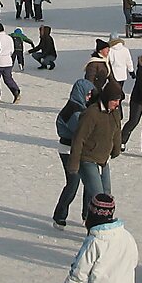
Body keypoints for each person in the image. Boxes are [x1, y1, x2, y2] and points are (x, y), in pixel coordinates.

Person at [68, 81, 123, 219]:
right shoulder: (92, 113)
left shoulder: (115, 113)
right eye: (115, 100)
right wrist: (74, 164)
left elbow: (116, 132)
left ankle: (94, 219)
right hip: (88, 159)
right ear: (107, 98)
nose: (117, 103)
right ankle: (96, 226)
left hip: (103, 160)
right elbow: (79, 139)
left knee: (107, 195)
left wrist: (116, 149)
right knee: (98, 196)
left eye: (119, 100)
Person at [54, 79, 96, 229]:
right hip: (68, 150)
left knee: (89, 183)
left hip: (81, 150)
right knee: (73, 183)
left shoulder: (83, 107)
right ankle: (59, 215)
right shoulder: (72, 110)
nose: (90, 96)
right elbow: (81, 132)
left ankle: (87, 215)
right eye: (88, 93)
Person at [0, 23, 21, 103]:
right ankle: (16, 91)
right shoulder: (9, 38)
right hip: (8, 61)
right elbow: (12, 50)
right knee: (8, 79)